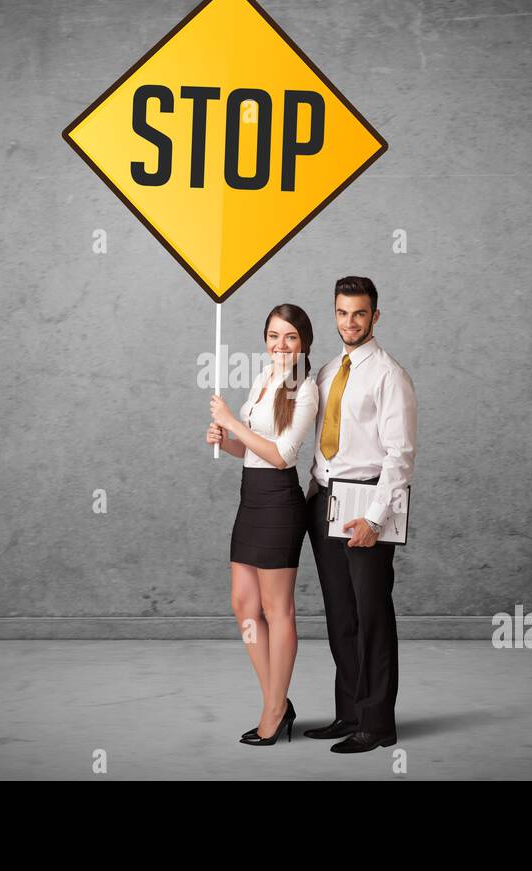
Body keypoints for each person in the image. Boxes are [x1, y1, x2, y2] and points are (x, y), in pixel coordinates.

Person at [303, 276, 416, 753]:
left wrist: (373, 517)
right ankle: (348, 713)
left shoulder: (389, 375)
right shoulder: (328, 371)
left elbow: (400, 455)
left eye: (360, 313)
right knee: (340, 615)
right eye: (343, 312)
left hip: (368, 503)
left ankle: (378, 723)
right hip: (325, 500)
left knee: (371, 615)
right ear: (334, 313)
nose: (350, 322)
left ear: (375, 316)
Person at [207, 304, 320, 746]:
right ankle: (279, 699)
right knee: (244, 605)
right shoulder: (262, 379)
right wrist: (227, 440)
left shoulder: (305, 390)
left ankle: (273, 710)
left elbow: (282, 455)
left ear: (304, 343)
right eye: (274, 335)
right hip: (250, 499)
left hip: (279, 504)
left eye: (290, 337)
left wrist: (233, 421)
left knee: (278, 610)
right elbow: (254, 452)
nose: (280, 344)